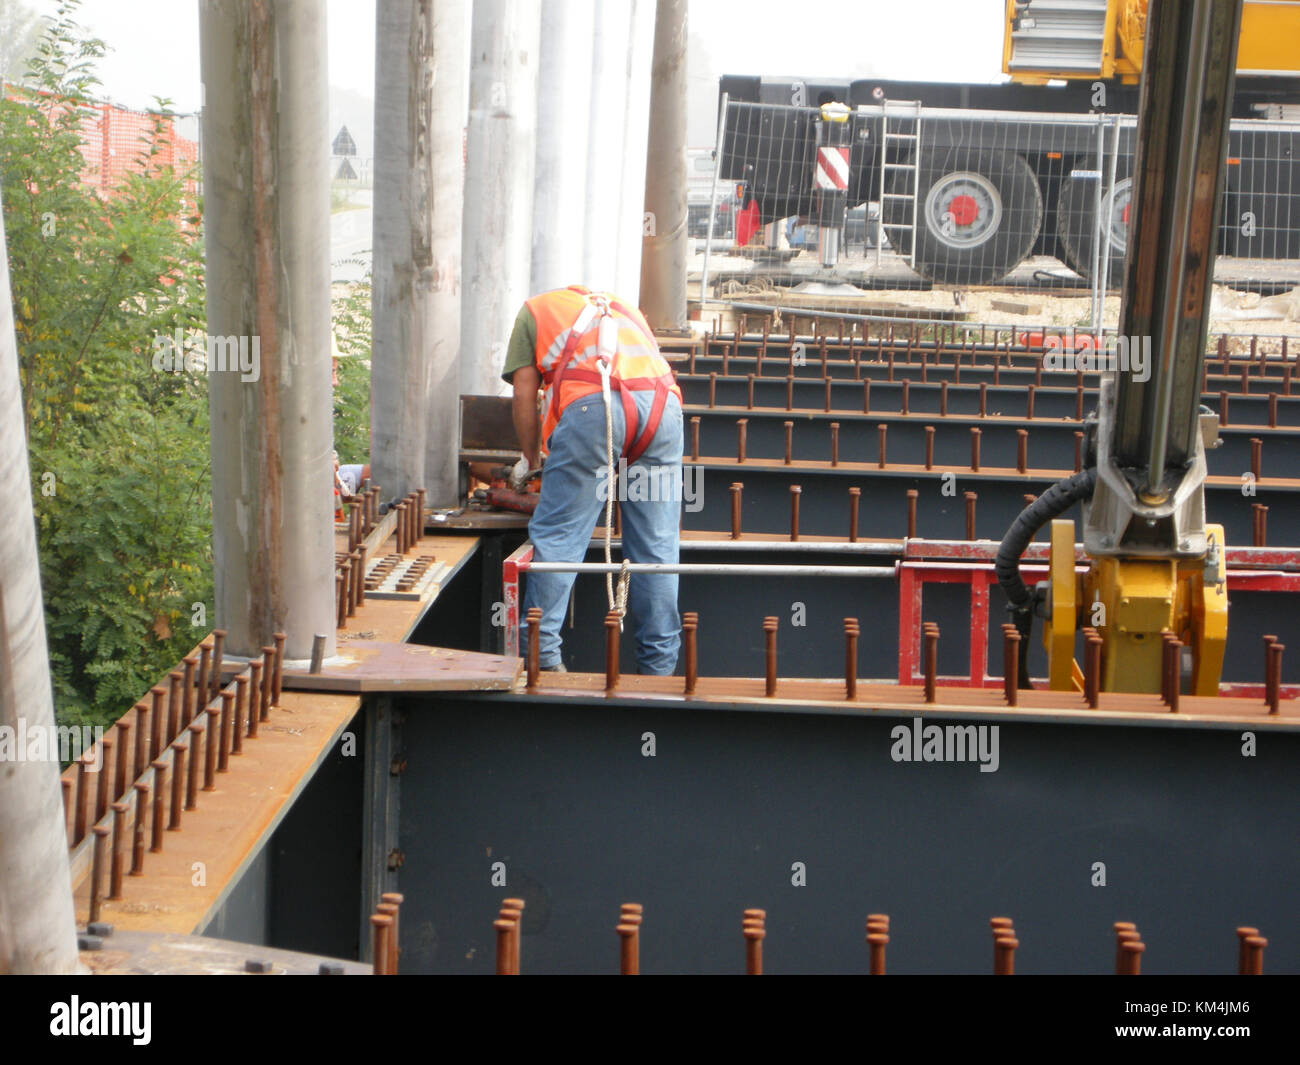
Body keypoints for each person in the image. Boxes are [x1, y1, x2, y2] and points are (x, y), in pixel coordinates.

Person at [502, 285, 683, 674]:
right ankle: (660, 672)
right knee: (656, 550)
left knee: (560, 537)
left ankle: (541, 659)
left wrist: (531, 459)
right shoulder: (624, 309)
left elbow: (523, 392)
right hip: (662, 410)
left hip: (594, 408)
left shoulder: (533, 313)